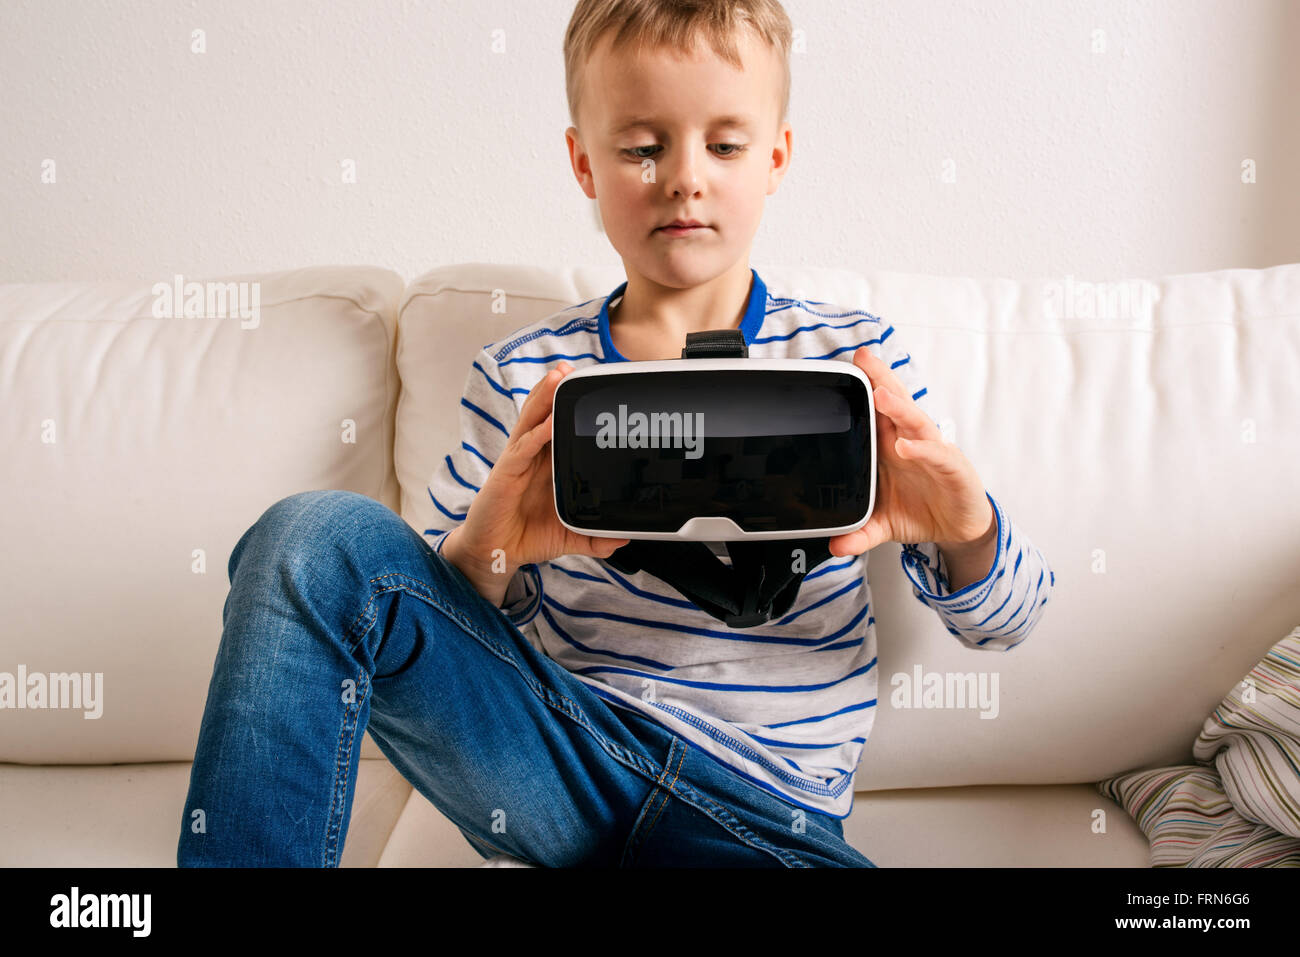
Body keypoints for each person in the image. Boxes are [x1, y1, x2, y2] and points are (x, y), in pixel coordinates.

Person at [178, 0, 1054, 868]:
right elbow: (432, 619)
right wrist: (492, 549)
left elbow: (1009, 622)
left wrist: (965, 526)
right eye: (642, 147)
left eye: (725, 144)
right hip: (561, 759)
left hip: (766, 811)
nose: (683, 178)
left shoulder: (852, 367)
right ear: (583, 163)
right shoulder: (531, 380)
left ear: (777, 157)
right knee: (312, 538)